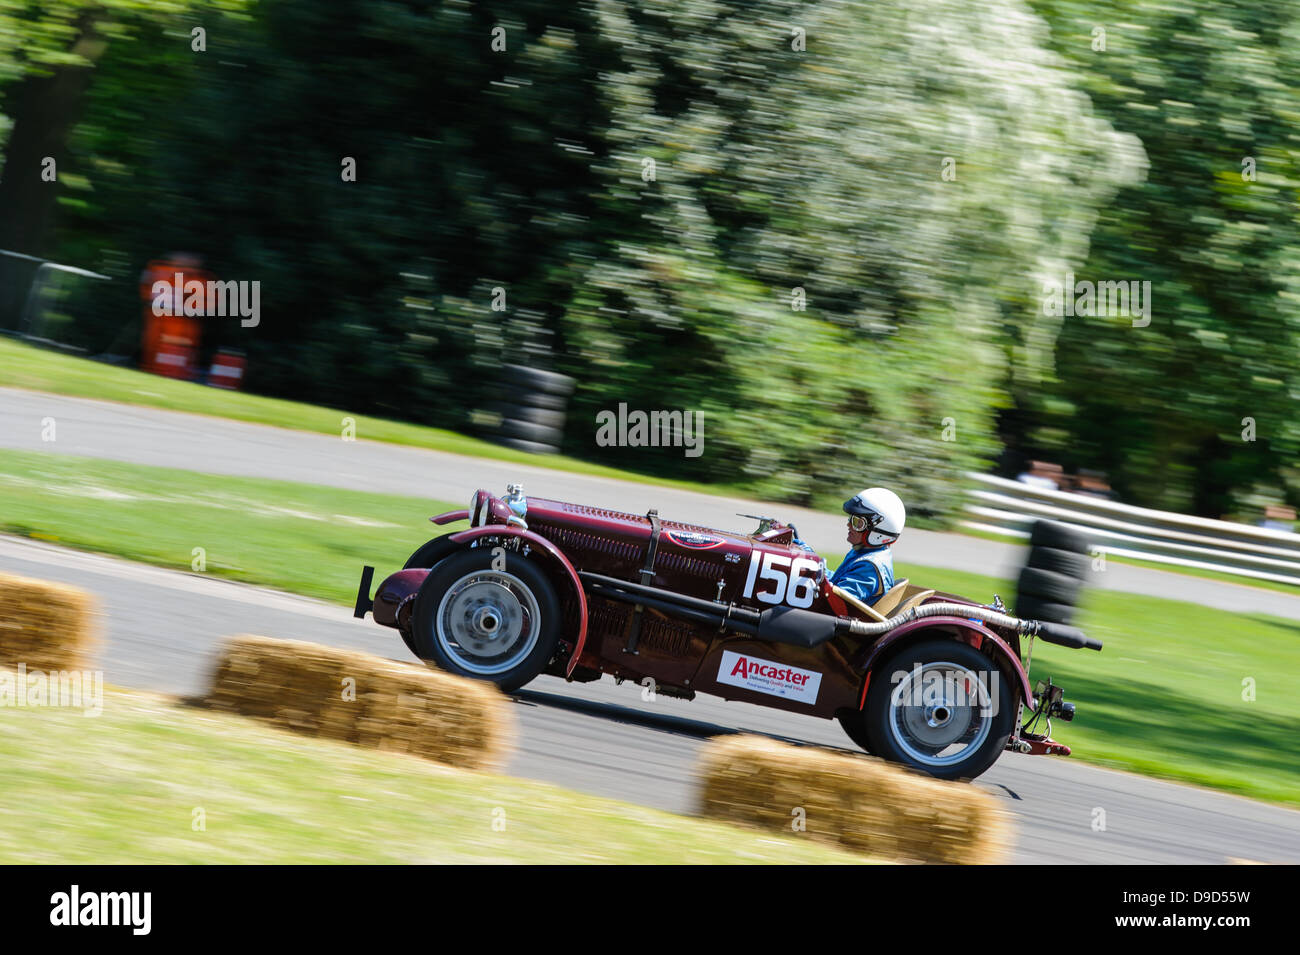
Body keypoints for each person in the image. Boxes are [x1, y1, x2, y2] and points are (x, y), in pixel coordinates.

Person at [819, 487, 905, 605]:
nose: (849, 524)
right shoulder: (865, 553)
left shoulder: (869, 567)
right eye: (851, 518)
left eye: (857, 522)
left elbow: (834, 601)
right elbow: (837, 579)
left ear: (877, 531)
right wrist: (809, 561)